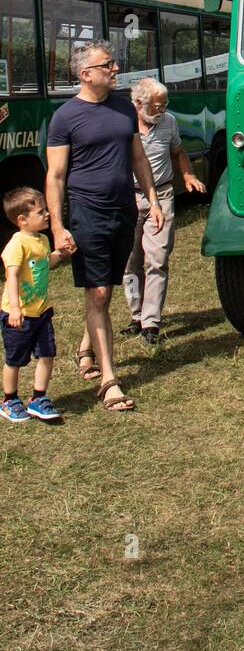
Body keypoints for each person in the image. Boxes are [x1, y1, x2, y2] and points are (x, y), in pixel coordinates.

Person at [45, 41, 164, 413]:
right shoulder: (65, 117)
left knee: (105, 290)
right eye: (107, 64)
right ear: (86, 74)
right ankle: (110, 382)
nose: (115, 69)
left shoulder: (123, 108)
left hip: (124, 212)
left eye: (113, 63)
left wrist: (154, 199)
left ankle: (86, 347)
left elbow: (138, 156)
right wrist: (58, 228)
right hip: (87, 215)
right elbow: (56, 177)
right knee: (97, 293)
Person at [121, 77, 206, 345]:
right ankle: (136, 315)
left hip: (163, 195)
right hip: (129, 198)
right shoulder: (122, 124)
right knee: (130, 263)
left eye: (164, 104)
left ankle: (151, 322)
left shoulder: (168, 122)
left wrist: (189, 174)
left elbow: (178, 152)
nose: (162, 110)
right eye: (157, 105)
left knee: (157, 259)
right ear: (138, 104)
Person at [1, 187, 74, 423]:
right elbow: (11, 276)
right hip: (19, 314)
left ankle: (38, 398)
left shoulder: (41, 239)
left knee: (47, 354)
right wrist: (14, 308)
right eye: (40, 212)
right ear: (22, 220)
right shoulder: (17, 244)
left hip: (42, 312)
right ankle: (9, 400)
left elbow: (45, 263)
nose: (47, 214)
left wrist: (60, 254)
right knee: (15, 359)